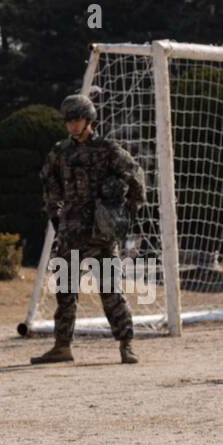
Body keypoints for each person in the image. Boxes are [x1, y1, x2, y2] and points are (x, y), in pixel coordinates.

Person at [33, 93, 145, 365]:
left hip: (101, 232)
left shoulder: (107, 149)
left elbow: (135, 176)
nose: (72, 125)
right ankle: (62, 346)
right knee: (65, 291)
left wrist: (127, 212)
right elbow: (49, 183)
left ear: (89, 120)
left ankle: (126, 344)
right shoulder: (60, 151)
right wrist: (55, 215)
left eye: (77, 120)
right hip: (71, 231)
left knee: (110, 291)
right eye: (68, 121)